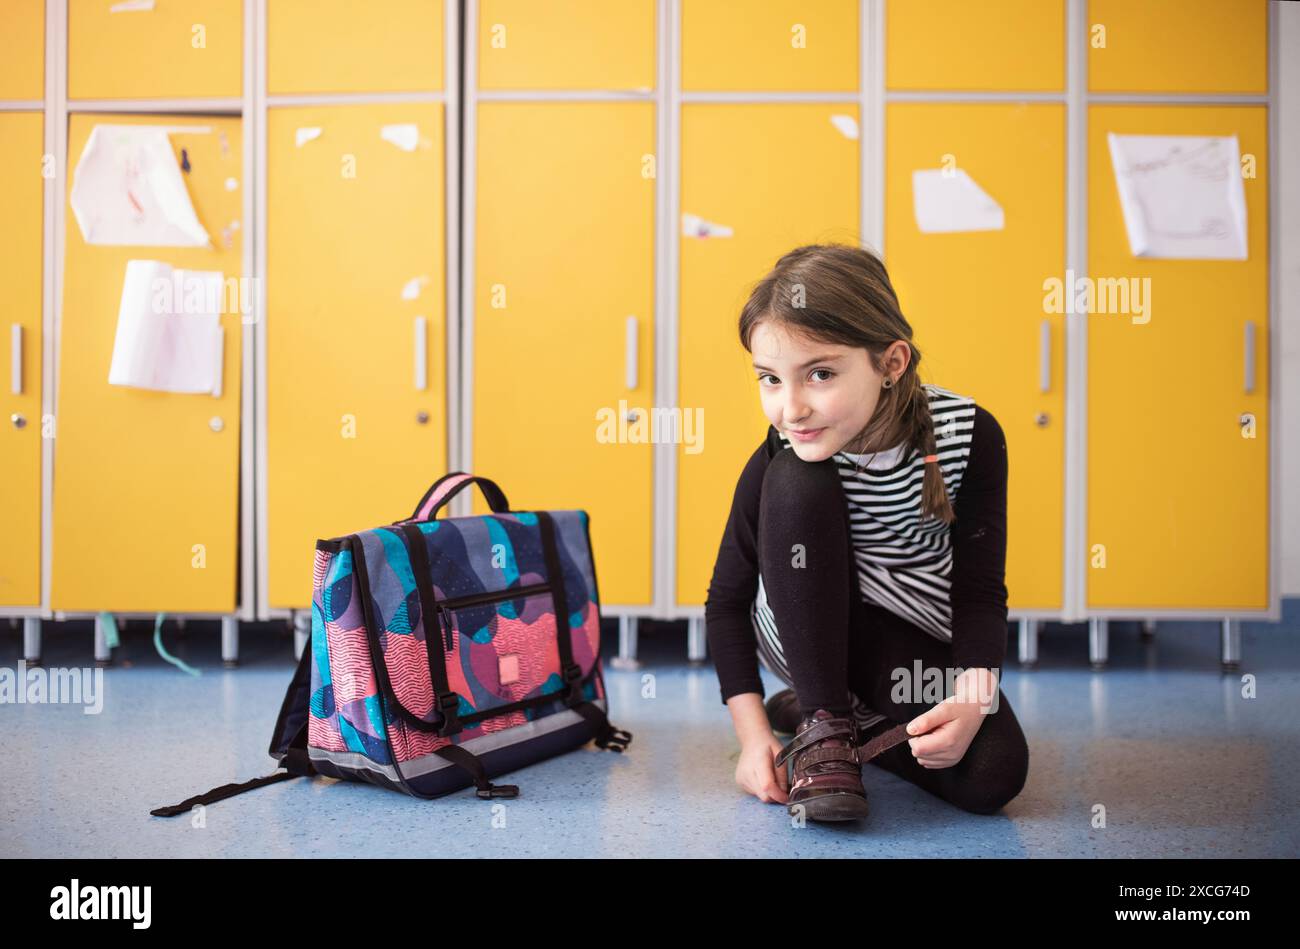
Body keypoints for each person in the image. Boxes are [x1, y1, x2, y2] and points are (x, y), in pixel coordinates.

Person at [704, 242, 1030, 822]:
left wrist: (972, 699)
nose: (791, 408)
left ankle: (842, 718)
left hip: (910, 640)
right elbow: (726, 601)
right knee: (799, 481)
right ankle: (824, 719)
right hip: (809, 631)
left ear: (891, 362)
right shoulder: (784, 450)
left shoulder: (971, 436)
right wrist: (754, 741)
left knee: (993, 775)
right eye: (770, 379)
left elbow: (980, 591)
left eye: (820, 374)